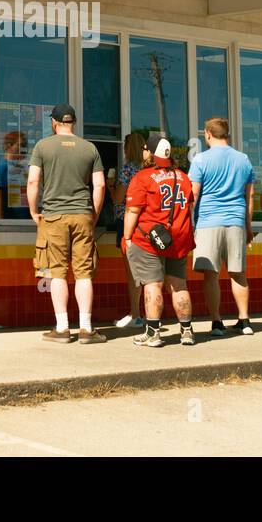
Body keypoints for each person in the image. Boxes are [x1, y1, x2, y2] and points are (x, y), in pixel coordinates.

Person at [27, 103, 108, 343]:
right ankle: (86, 328)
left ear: (54, 123)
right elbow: (100, 185)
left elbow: (33, 182)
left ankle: (62, 328)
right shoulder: (89, 148)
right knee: (84, 273)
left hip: (53, 216)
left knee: (58, 273)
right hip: (83, 214)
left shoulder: (43, 146)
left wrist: (33, 211)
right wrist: (93, 214)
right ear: (74, 122)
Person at [123, 134, 196, 347]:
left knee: (152, 284)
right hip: (179, 237)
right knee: (179, 284)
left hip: (149, 239)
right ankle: (187, 331)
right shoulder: (183, 177)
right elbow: (189, 206)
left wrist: (128, 238)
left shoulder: (142, 177)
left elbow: (132, 210)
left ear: (149, 153)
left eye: (145, 149)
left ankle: (154, 332)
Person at [189, 117, 256, 336]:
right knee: (238, 274)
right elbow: (250, 197)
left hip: (208, 222)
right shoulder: (244, 159)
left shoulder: (201, 159)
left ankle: (217, 322)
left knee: (211, 275)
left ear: (208, 134)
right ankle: (244, 321)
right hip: (236, 221)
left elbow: (194, 193)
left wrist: (188, 222)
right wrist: (247, 227)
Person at [113, 132, 147, 328]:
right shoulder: (149, 169)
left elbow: (119, 198)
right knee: (148, 273)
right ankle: (148, 315)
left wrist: (111, 188)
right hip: (148, 224)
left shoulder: (127, 169)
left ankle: (136, 314)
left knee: (133, 273)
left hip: (128, 223)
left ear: (127, 148)